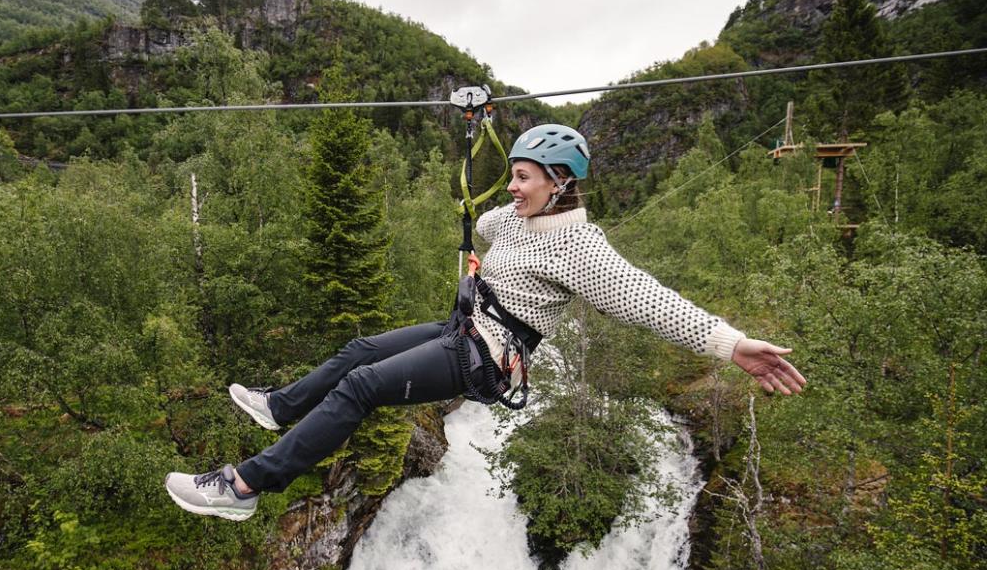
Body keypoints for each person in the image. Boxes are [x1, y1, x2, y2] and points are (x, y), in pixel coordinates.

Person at [165, 124, 807, 521]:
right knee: (358, 350)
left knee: (360, 389)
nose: (513, 189)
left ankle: (245, 484)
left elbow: (651, 300)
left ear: (560, 184)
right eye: (514, 177)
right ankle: (280, 407)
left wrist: (732, 344)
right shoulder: (518, 221)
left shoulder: (582, 251)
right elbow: (490, 220)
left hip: (484, 356)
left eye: (524, 179)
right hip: (461, 327)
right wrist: (484, 152)